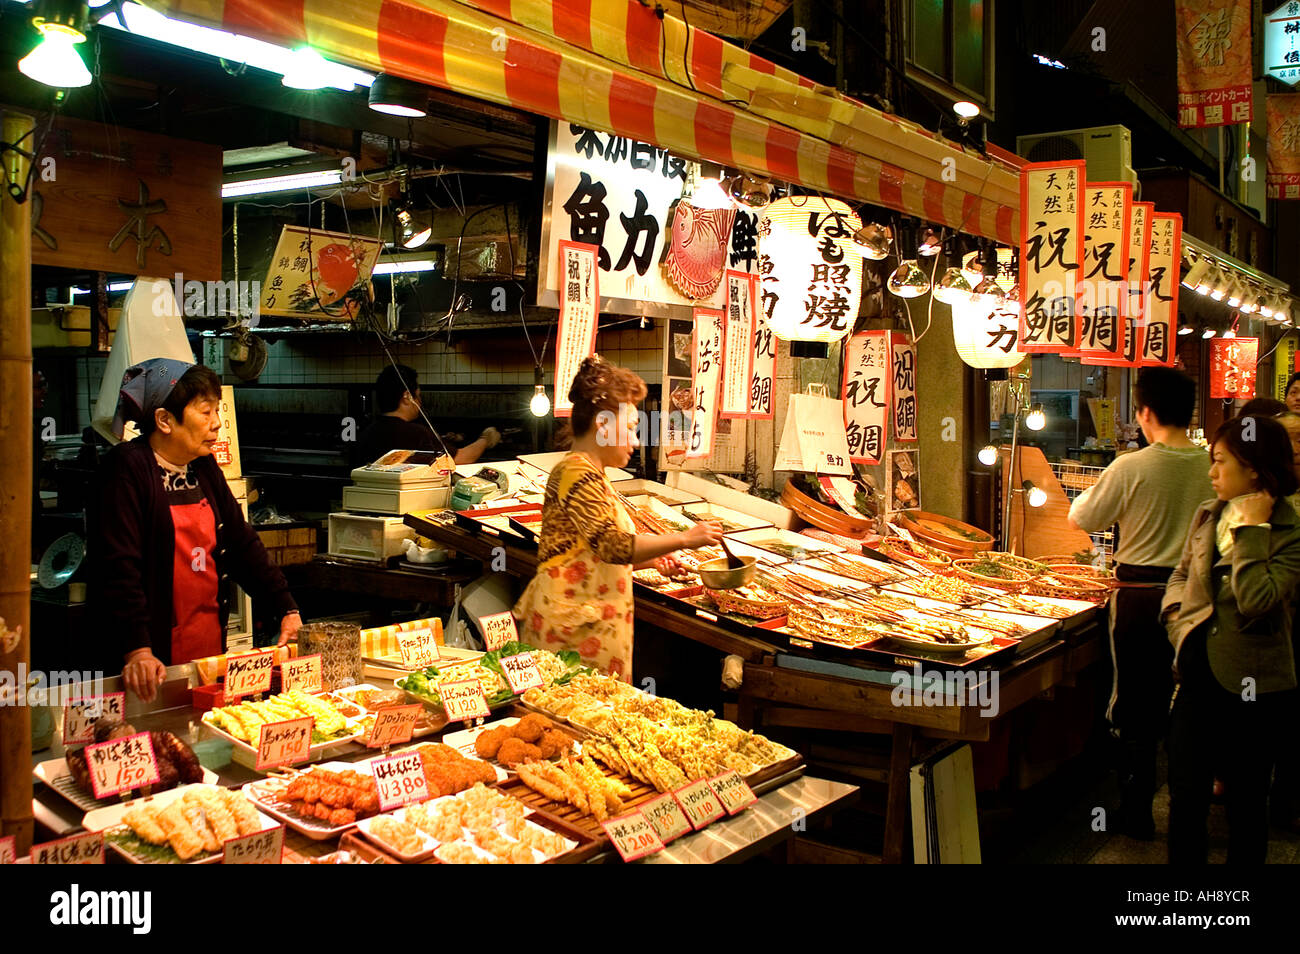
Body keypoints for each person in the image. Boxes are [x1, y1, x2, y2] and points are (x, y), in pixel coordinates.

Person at [88, 359, 302, 702]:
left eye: (216, 411)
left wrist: (286, 608)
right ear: (164, 420)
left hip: (205, 647)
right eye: (205, 412)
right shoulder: (127, 468)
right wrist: (137, 649)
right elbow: (118, 566)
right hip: (147, 662)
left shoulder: (202, 467)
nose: (217, 423)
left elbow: (242, 543)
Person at [1068, 367, 1214, 840]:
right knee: (1187, 701)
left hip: (1138, 599)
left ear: (1145, 412)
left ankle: (1136, 813)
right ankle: (1187, 812)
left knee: (1134, 704)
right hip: (1195, 600)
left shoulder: (1132, 466)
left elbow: (1082, 515)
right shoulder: (1212, 464)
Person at [513, 356, 723, 681]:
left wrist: (653, 559)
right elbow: (612, 545)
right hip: (570, 640)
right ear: (603, 425)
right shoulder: (575, 472)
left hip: (592, 629)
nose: (636, 441)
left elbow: (591, 557)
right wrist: (684, 538)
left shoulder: (596, 474)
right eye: (630, 429)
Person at [1162, 415, 1300, 863]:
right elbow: (1181, 575)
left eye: (1221, 462)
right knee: (1185, 799)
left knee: (1245, 807)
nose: (1212, 472)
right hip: (1195, 676)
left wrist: (1252, 531)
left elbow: (1257, 599)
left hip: (1254, 687)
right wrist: (1178, 623)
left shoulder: (1290, 530)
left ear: (1254, 467)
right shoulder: (1209, 511)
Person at [353, 364, 500, 467]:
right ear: (407, 397)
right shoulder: (414, 433)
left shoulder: (367, 432)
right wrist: (486, 439)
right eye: (418, 396)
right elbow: (460, 458)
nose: (420, 401)